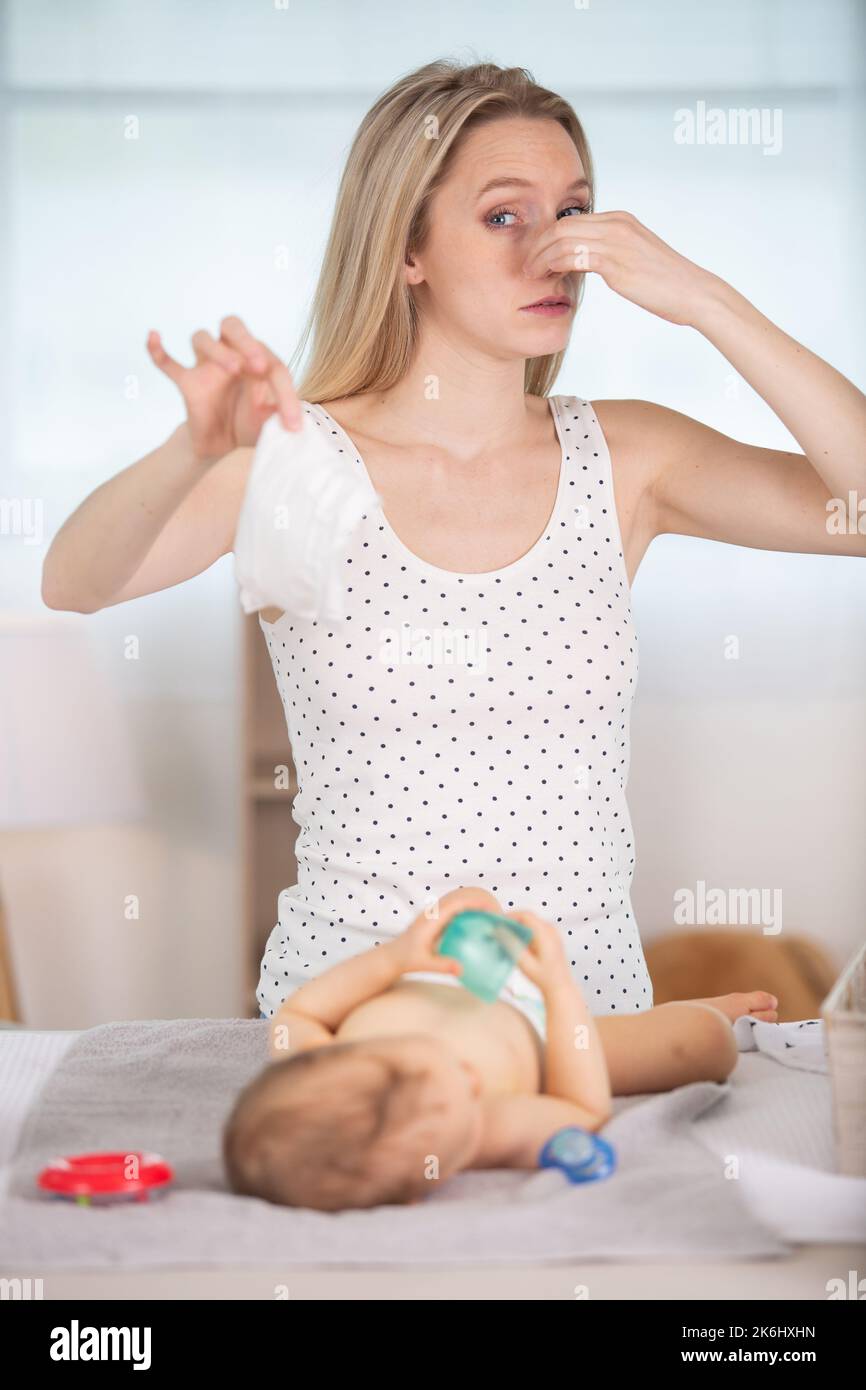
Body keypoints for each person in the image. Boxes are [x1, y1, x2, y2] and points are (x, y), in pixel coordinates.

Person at [41, 60, 866, 1022]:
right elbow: (75, 582)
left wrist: (708, 301)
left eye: (573, 212)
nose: (555, 252)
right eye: (504, 215)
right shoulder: (294, 457)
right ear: (407, 250)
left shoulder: (629, 456)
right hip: (353, 1025)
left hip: (592, 1030)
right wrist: (191, 451)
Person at [222, 887, 777, 1211]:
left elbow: (300, 1012)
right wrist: (558, 991)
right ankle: (699, 1010)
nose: (468, 1072)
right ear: (426, 1184)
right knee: (703, 1045)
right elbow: (583, 1112)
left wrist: (397, 957)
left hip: (445, 971)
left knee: (471, 902)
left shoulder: (313, 1059)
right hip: (547, 1038)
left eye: (430, 1058)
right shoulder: (477, 1134)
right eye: (466, 1089)